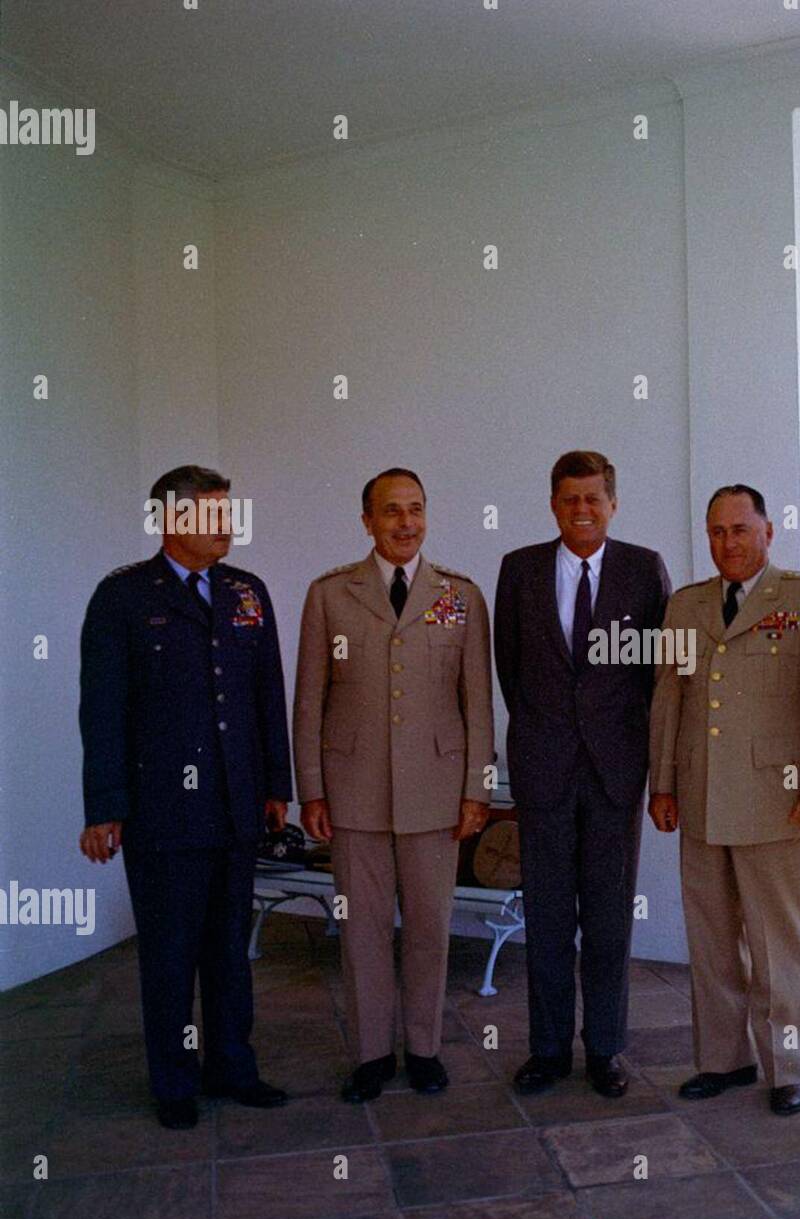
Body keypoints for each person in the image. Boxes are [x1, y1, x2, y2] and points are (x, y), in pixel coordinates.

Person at [79, 466, 292, 1129]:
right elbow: (103, 711)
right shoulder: (122, 598)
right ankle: (174, 1081)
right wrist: (104, 807)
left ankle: (232, 1065)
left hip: (235, 804)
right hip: (162, 813)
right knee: (170, 955)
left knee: (229, 950)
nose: (228, 524)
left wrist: (276, 788)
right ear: (172, 522)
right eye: (212, 514)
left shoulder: (245, 592)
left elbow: (266, 697)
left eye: (229, 512)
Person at [293, 469, 494, 1102]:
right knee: (362, 931)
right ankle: (373, 1054)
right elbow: (309, 699)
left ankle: (426, 1048)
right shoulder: (330, 595)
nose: (405, 523)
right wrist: (312, 789)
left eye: (415, 510)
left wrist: (477, 790)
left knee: (432, 928)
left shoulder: (459, 595)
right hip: (353, 794)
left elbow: (478, 705)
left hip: (436, 794)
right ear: (367, 522)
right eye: (390, 512)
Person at [650, 486, 800, 1115]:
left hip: (779, 804)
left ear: (768, 530)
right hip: (702, 799)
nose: (728, 543)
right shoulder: (685, 606)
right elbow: (669, 700)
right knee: (710, 940)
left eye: (739, 529)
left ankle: (787, 1068)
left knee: (782, 947)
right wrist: (664, 783)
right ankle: (722, 1060)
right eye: (716, 532)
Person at [494, 451, 671, 1098]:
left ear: (613, 504)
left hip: (613, 774)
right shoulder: (518, 570)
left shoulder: (642, 570)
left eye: (594, 498)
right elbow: (509, 670)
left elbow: (657, 674)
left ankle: (605, 1050)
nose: (582, 509)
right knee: (544, 917)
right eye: (570, 499)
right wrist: (545, 738)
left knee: (607, 919)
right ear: (553, 504)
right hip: (544, 771)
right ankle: (546, 1051)